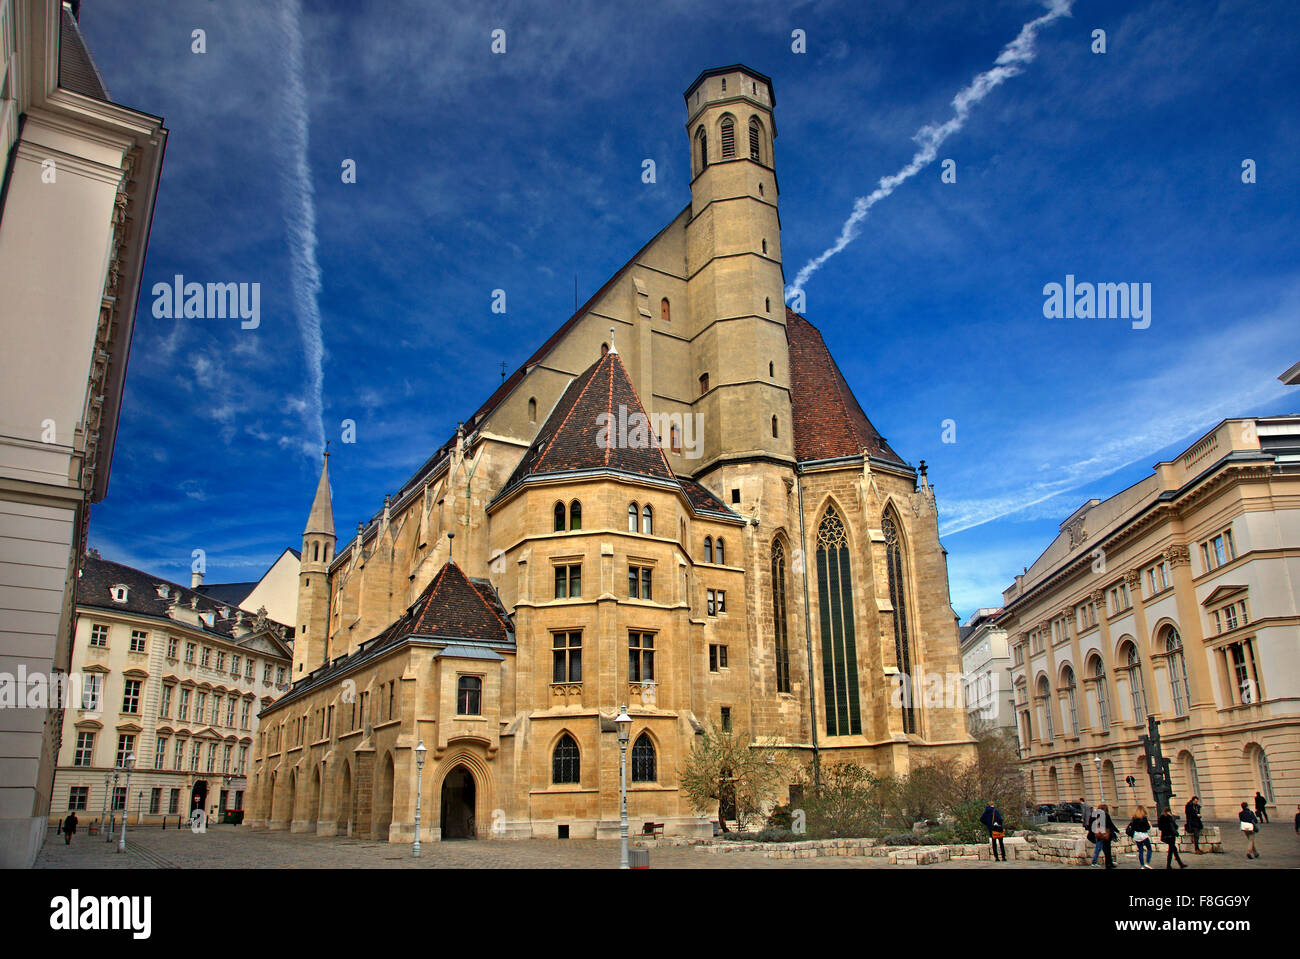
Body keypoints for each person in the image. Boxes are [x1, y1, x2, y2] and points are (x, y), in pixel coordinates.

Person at [1089, 802, 1118, 868]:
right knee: (1107, 850)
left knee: (1100, 848)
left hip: (1098, 834)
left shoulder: (1095, 814)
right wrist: (1116, 831)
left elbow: (1090, 823)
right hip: (1105, 834)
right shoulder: (1105, 814)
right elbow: (1110, 824)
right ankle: (1108, 864)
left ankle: (1108, 863)